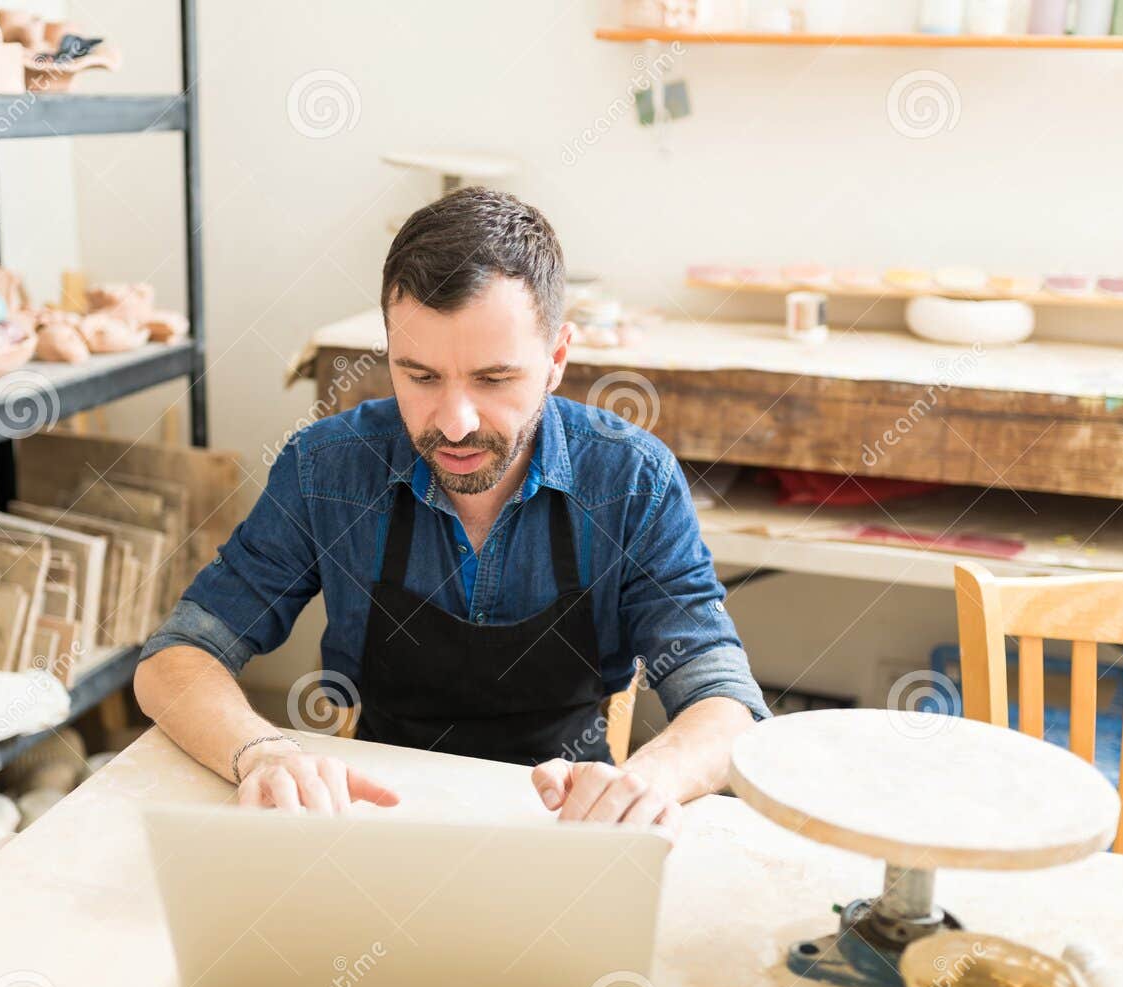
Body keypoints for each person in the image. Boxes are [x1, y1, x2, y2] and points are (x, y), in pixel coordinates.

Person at [134, 187, 767, 832]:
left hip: (566, 828)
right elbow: (175, 658)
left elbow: (725, 698)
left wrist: (647, 781)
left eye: (494, 380)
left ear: (556, 360)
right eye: (421, 376)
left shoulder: (633, 479)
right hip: (379, 817)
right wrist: (260, 752)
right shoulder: (327, 469)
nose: (456, 424)